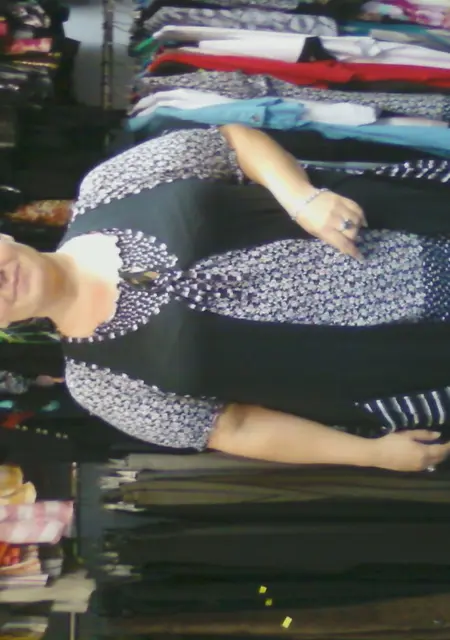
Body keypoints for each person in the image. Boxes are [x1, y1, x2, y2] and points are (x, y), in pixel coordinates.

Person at [0, 124, 450, 473]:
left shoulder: (110, 187)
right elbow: (235, 427)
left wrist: (300, 197)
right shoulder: (99, 385)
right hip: (405, 359)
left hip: (407, 226)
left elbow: (233, 143)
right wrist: (370, 454)